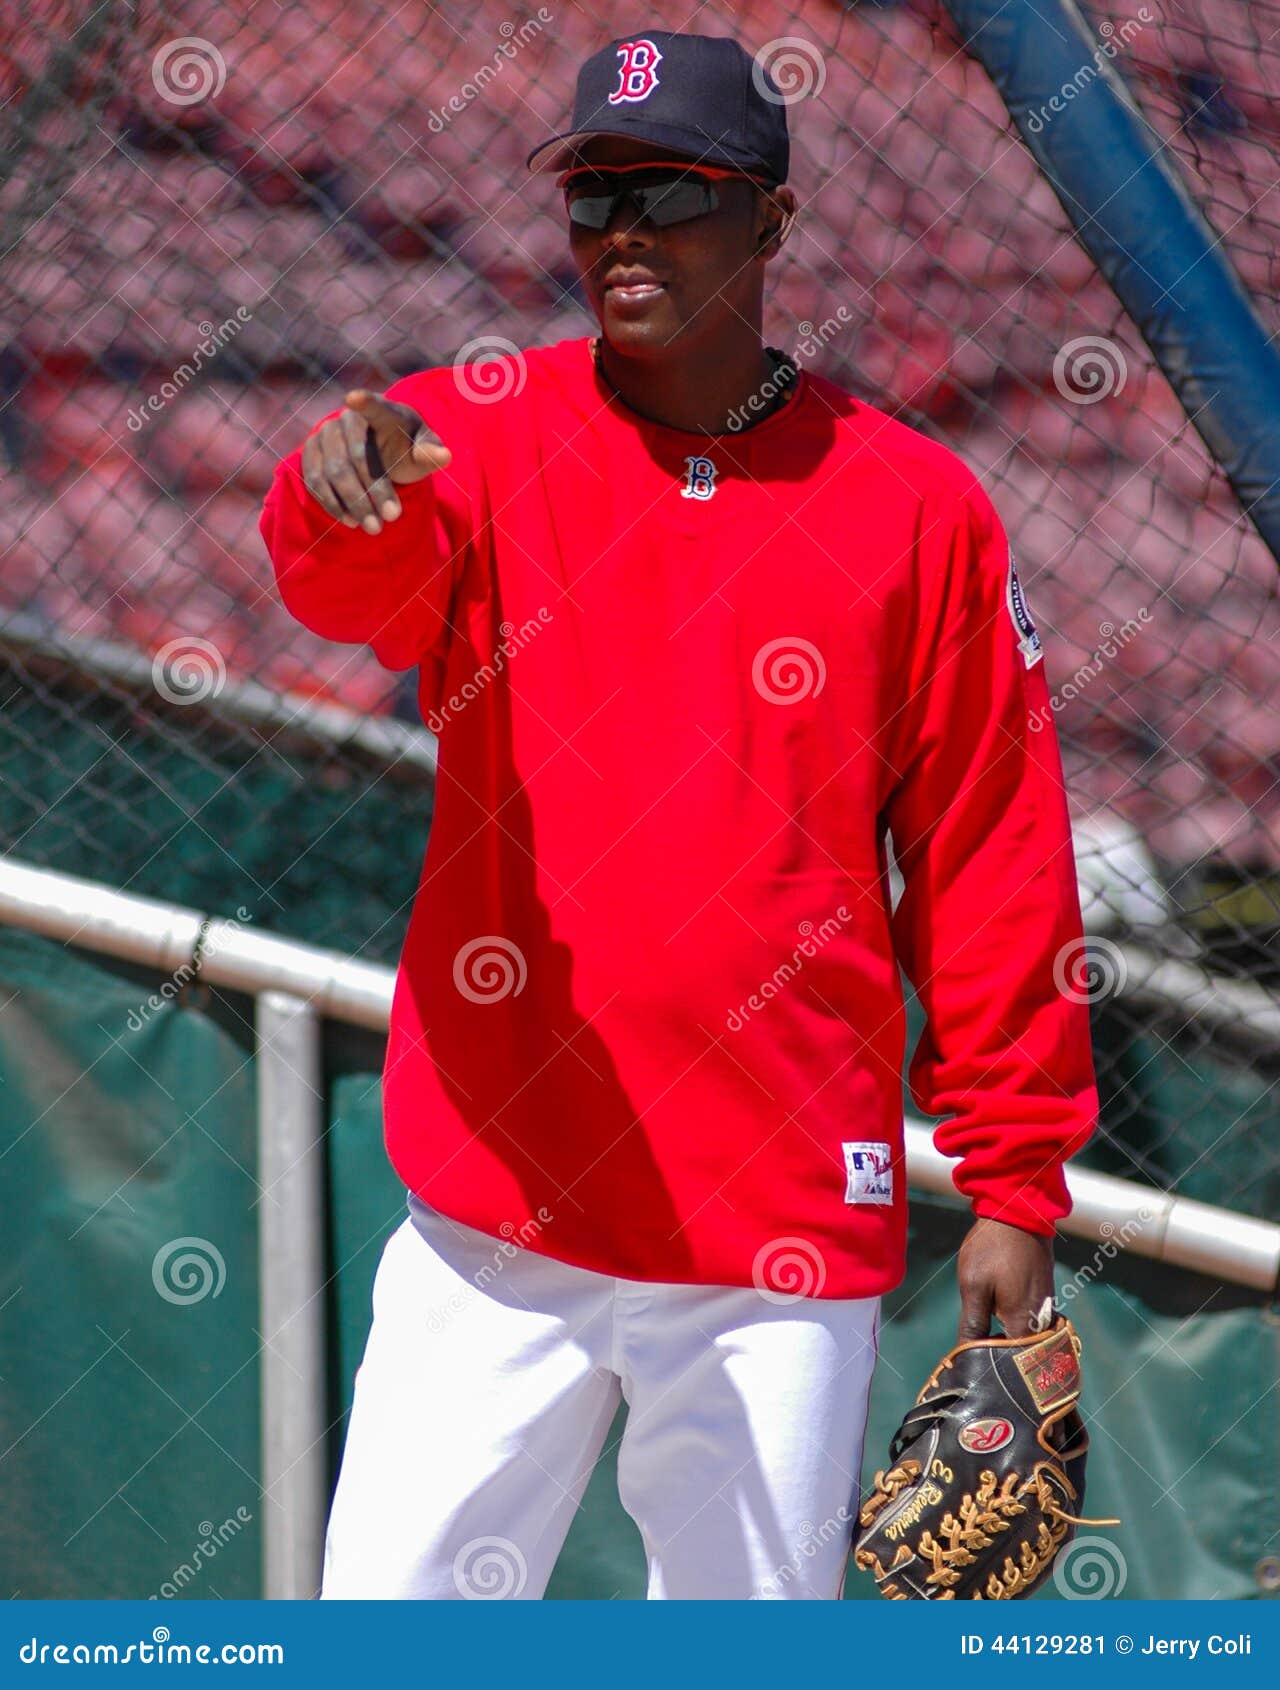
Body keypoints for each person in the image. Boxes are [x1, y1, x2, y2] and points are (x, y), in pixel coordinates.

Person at [260, 29, 1097, 1601]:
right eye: (592, 196)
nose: (623, 231)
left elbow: (991, 849)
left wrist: (1013, 1180)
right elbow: (350, 573)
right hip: (501, 1200)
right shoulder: (480, 427)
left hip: (776, 1225)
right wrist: (329, 482)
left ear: (772, 222)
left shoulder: (916, 509)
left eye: (673, 191)